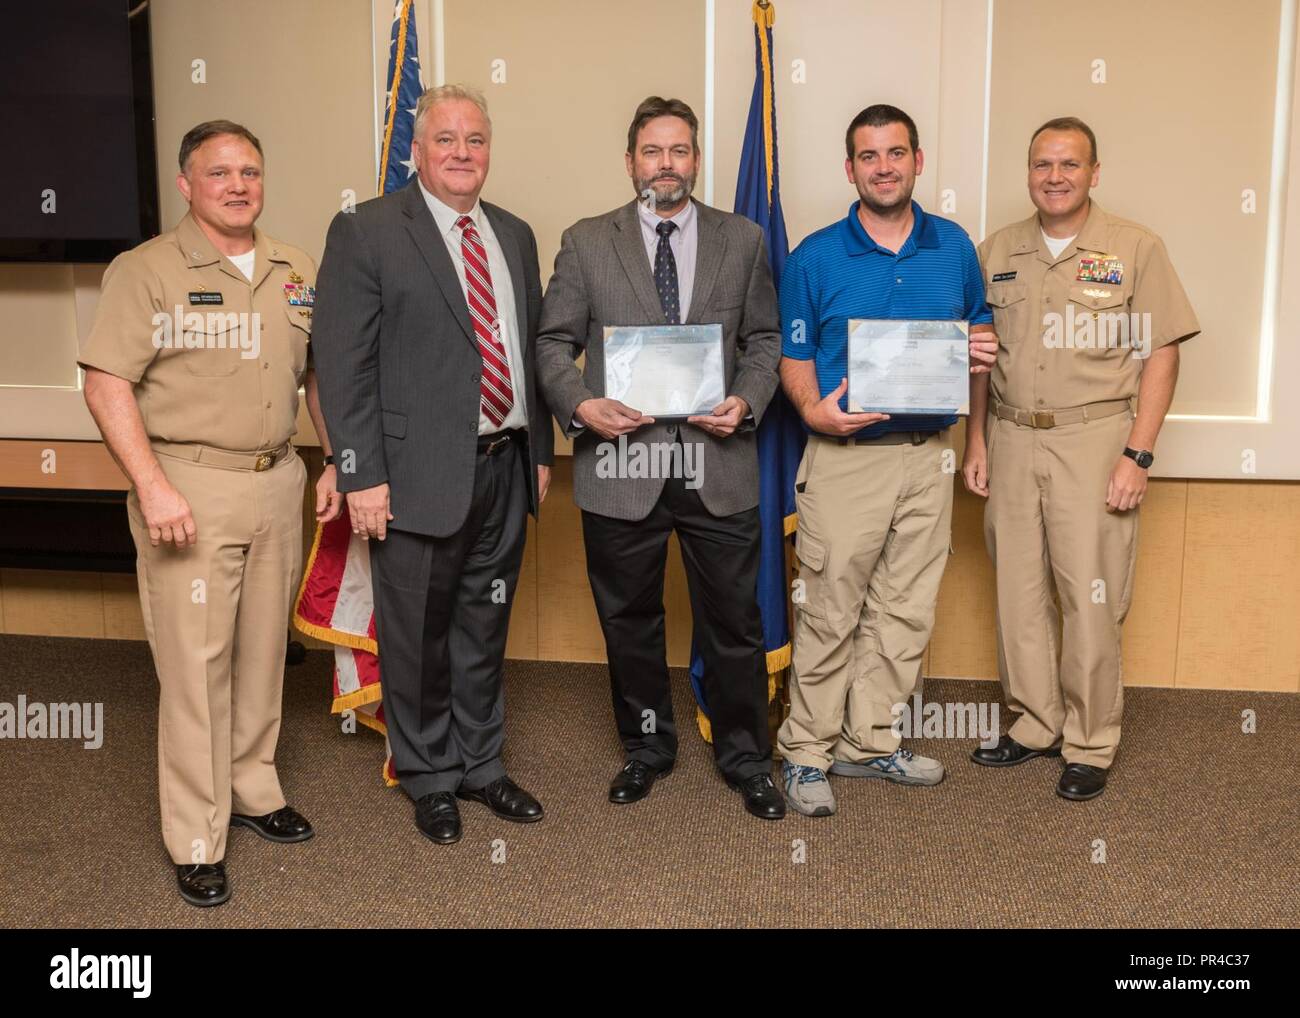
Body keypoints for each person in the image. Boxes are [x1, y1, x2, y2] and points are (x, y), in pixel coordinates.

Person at [80, 120, 317, 906]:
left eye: (250, 170)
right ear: (188, 185)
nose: (239, 185)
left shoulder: (294, 266)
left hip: (278, 480)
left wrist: (339, 463)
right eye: (219, 173)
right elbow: (106, 382)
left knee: (260, 654)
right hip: (189, 486)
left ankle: (253, 789)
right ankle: (194, 833)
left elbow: (317, 377)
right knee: (195, 668)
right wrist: (151, 485)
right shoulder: (146, 270)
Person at [310, 85, 553, 845]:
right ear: (417, 149)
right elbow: (341, 365)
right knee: (416, 633)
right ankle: (429, 777)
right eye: (445, 139)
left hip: (505, 468)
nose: (461, 153)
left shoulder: (513, 234)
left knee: (484, 625)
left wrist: (539, 449)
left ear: (490, 150)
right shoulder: (367, 230)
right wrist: (360, 475)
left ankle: (482, 767)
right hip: (408, 477)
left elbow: (530, 350)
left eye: (474, 140)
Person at [535, 96, 785, 820]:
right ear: (631, 162)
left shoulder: (744, 239)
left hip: (719, 462)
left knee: (734, 622)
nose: (666, 165)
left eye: (679, 151)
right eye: (652, 151)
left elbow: (764, 340)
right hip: (621, 469)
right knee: (630, 619)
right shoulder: (586, 242)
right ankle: (647, 748)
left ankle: (746, 759)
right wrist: (581, 405)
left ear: (697, 160)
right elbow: (552, 344)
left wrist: (745, 399)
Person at [964, 117, 1198, 801]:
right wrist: (976, 440)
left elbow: (1163, 352)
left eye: (1070, 164)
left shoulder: (1133, 248)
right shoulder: (998, 250)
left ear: (1095, 173)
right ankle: (1036, 723)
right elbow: (982, 357)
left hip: (1093, 440)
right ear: (1028, 171)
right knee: (1019, 591)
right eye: (1042, 164)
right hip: (1009, 436)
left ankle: (1090, 740)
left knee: (1090, 593)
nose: (1055, 176)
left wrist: (1138, 453)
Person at [776, 105, 997, 817]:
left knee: (904, 612)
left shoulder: (956, 246)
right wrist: (813, 411)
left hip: (929, 457)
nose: (883, 166)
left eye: (895, 153)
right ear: (851, 169)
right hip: (845, 459)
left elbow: (979, 340)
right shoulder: (815, 255)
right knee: (830, 609)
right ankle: (806, 751)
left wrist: (981, 382)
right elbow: (794, 357)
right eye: (868, 156)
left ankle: (868, 743)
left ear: (918, 161)